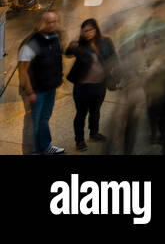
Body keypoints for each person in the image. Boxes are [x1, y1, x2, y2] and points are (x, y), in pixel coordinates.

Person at [64, 18, 116, 152]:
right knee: (81, 114)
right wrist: (72, 45)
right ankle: (79, 140)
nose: (86, 33)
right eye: (84, 31)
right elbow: (68, 53)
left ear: (96, 29)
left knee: (95, 111)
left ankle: (94, 133)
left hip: (100, 85)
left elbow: (113, 58)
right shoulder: (79, 45)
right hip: (82, 87)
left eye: (89, 30)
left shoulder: (106, 42)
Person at [18, 9, 65, 154]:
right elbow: (23, 71)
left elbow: (56, 59)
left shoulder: (54, 37)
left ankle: (45, 146)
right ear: (40, 23)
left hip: (50, 87)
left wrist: (58, 78)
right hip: (36, 91)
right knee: (34, 123)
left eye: (54, 22)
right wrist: (30, 91)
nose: (52, 25)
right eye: (48, 22)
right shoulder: (30, 44)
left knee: (44, 119)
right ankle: (33, 152)